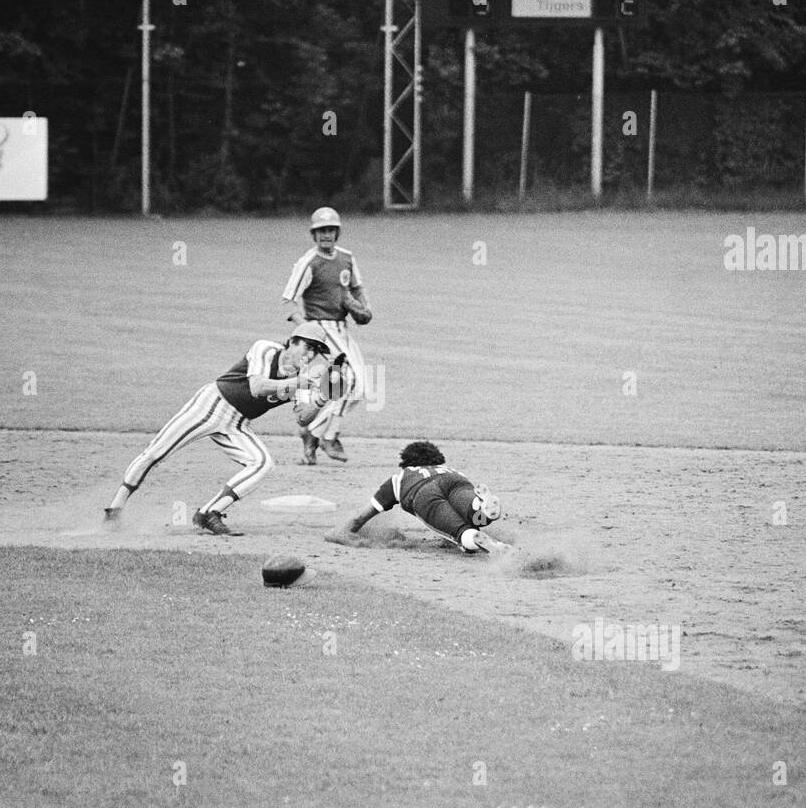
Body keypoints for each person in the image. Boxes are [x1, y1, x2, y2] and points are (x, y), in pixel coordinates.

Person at [103, 323, 332, 536]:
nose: (310, 355)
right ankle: (114, 510)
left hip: (237, 423)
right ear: (292, 342)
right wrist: (301, 382)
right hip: (210, 404)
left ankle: (209, 513)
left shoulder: (302, 379)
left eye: (315, 351)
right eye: (308, 346)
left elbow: (302, 418)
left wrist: (323, 397)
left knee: (263, 464)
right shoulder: (267, 350)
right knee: (156, 452)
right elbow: (257, 387)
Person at [280, 206, 373, 465]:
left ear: (337, 232)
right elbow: (288, 301)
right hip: (320, 329)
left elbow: (357, 287)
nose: (326, 235)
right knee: (350, 379)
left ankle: (312, 433)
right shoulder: (308, 262)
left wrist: (365, 307)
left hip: (342, 330)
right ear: (314, 234)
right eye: (321, 231)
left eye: (330, 230)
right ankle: (327, 436)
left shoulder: (347, 258)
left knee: (360, 388)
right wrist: (307, 330)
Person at [335, 441, 511, 553]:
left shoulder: (400, 478)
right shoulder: (449, 469)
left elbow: (360, 517)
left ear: (407, 462)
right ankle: (479, 507)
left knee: (460, 532)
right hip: (455, 481)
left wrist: (341, 533)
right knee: (472, 516)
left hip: (422, 492)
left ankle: (474, 539)